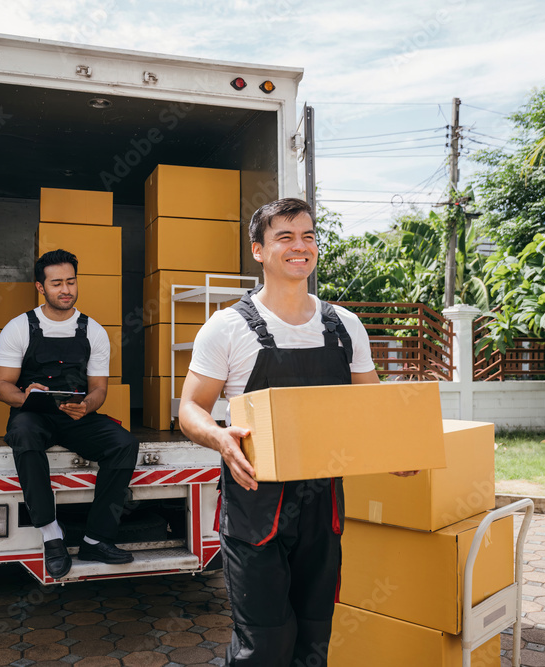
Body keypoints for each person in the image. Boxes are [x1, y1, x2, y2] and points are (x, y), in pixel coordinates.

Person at [178, 198, 417, 666]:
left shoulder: (344, 326)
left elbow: (371, 406)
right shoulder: (227, 327)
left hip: (322, 504)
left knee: (313, 638)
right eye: (284, 237)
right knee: (264, 644)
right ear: (258, 251)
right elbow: (191, 408)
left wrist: (395, 451)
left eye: (308, 235)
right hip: (256, 503)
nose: (300, 246)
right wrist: (221, 437)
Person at [0, 249, 139, 580]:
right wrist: (25, 396)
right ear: (40, 287)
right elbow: (2, 386)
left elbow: (99, 388)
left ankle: (96, 539)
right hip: (33, 414)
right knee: (24, 434)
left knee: (124, 443)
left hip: (76, 415)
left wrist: (88, 406)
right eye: (56, 283)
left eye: (71, 281)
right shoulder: (19, 328)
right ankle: (51, 535)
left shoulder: (94, 331)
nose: (66, 290)